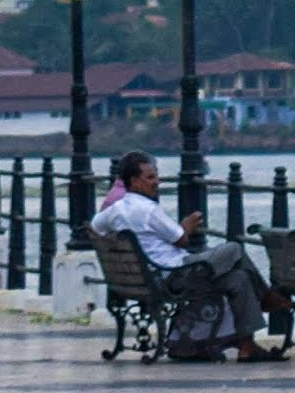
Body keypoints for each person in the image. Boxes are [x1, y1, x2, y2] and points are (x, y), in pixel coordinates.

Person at [93, 154, 278, 359]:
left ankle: (247, 347)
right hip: (173, 275)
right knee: (234, 248)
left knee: (239, 279)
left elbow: (94, 227)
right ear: (134, 181)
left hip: (147, 277)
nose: (157, 182)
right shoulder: (148, 210)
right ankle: (267, 297)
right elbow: (181, 240)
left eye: (156, 176)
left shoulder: (116, 210)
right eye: (150, 177)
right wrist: (187, 224)